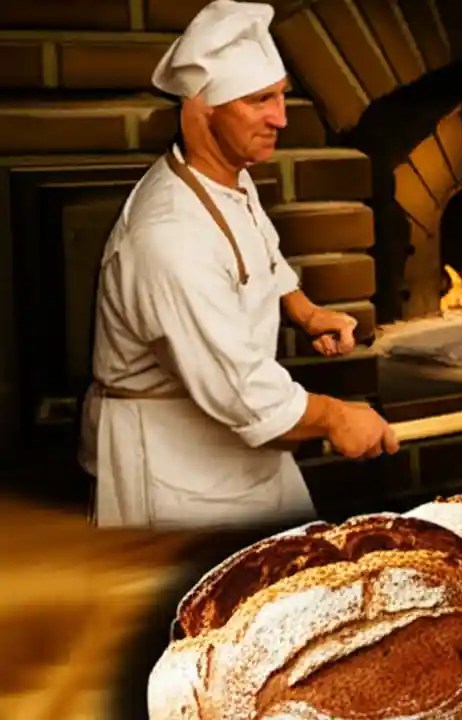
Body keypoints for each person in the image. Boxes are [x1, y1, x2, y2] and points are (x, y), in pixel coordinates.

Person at [78, 0, 398, 530]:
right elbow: (243, 394)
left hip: (241, 449)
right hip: (175, 474)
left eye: (281, 96)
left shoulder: (226, 174)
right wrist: (339, 417)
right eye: (259, 101)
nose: (281, 118)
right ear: (203, 108)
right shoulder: (170, 238)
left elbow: (260, 250)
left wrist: (304, 310)